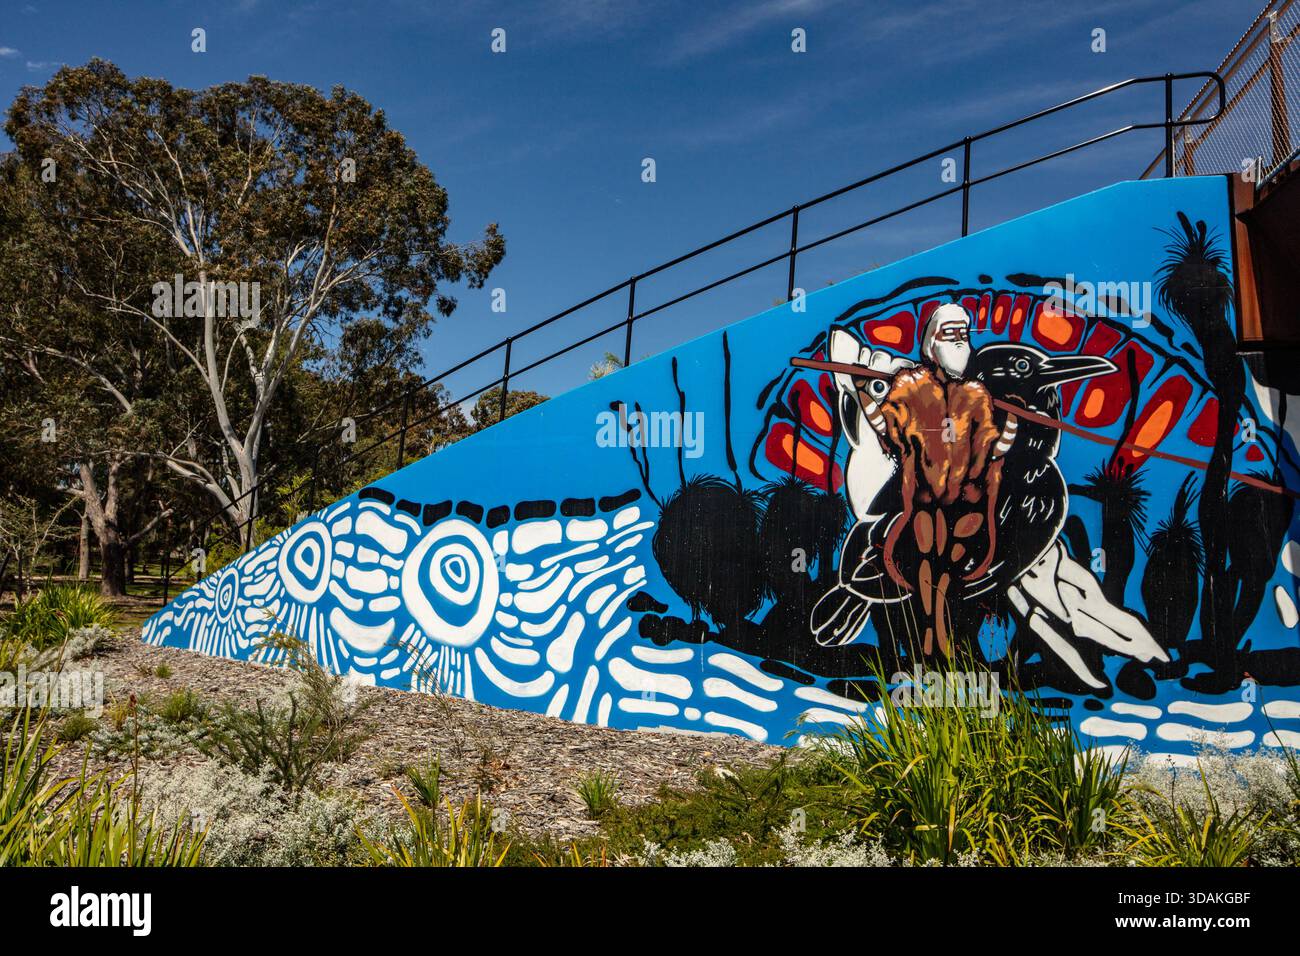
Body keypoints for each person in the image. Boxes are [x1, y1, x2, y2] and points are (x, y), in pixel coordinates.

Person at [849, 303, 1017, 655]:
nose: (959, 341)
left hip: (965, 501)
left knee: (948, 570)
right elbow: (888, 429)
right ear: (931, 342)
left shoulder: (975, 395)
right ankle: (933, 642)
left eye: (963, 333)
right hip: (924, 500)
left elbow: (989, 449)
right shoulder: (910, 386)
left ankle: (940, 641)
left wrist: (1011, 426)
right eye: (950, 333)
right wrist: (863, 391)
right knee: (927, 562)